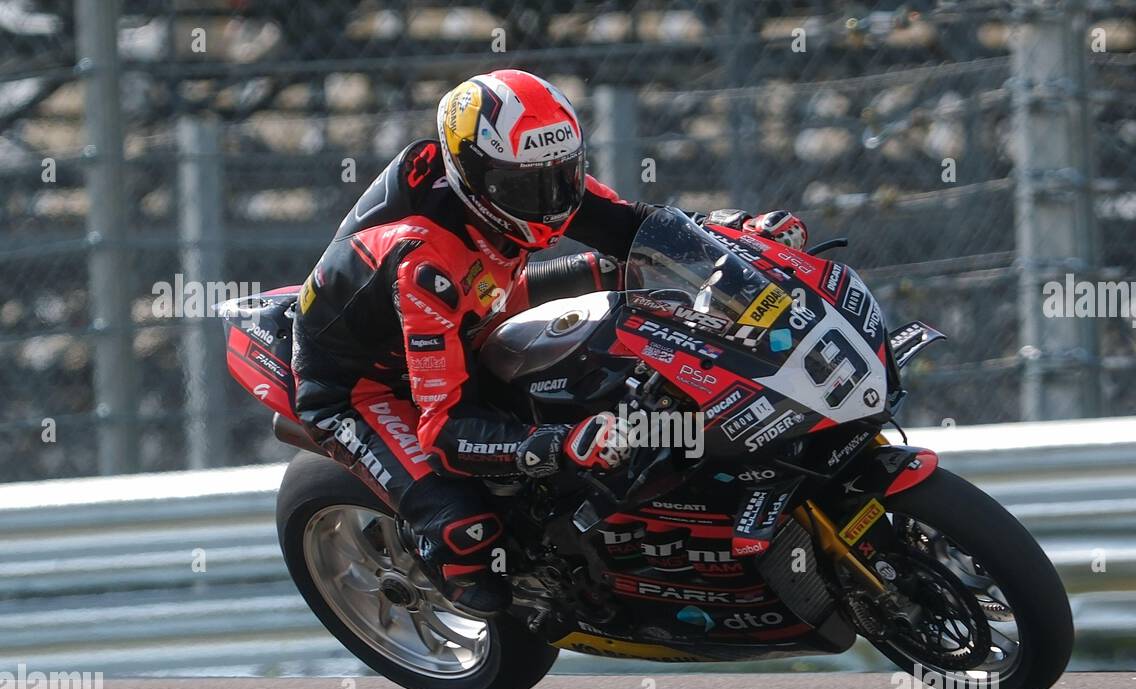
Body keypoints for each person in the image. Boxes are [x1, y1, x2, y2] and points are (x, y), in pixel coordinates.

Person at [291, 69, 807, 616]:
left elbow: (635, 228)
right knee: (467, 546)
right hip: (367, 384)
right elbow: (443, 430)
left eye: (562, 178)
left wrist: (733, 232)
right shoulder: (424, 260)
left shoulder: (523, 177)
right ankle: (475, 561)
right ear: (474, 174)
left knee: (626, 286)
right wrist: (561, 443)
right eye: (526, 188)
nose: (551, 204)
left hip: (478, 308)